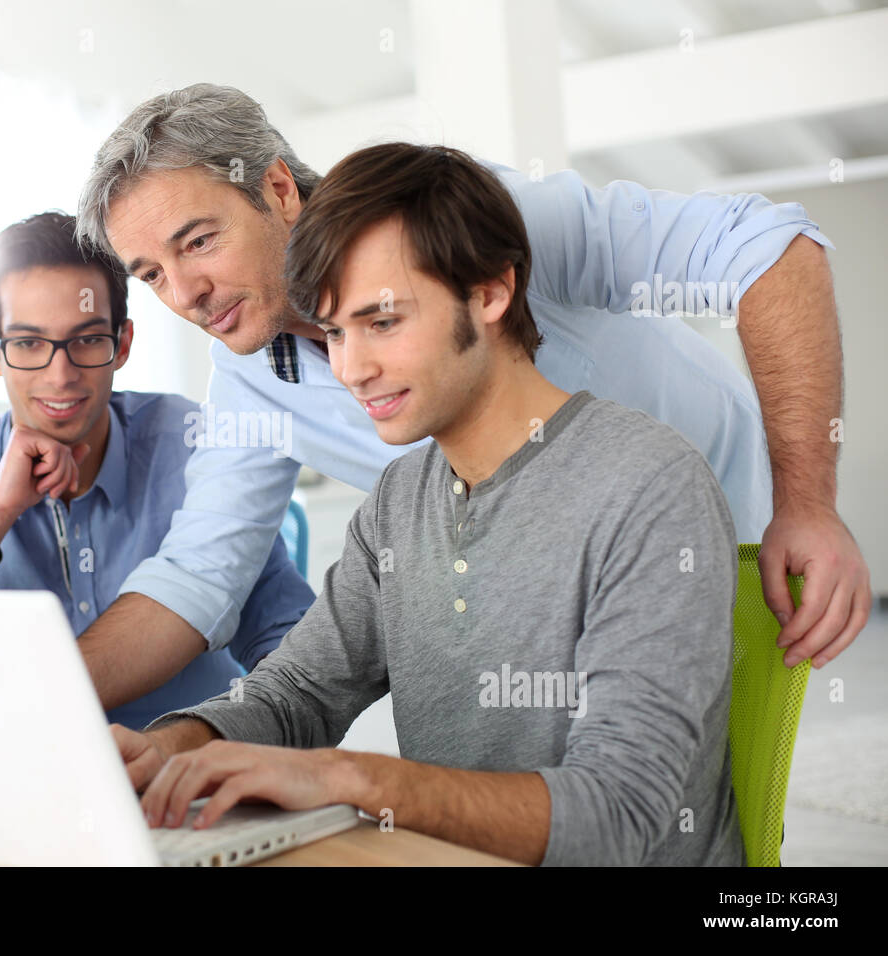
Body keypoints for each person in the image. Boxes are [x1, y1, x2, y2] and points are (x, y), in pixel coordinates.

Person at [69, 84, 870, 714]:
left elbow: (770, 250)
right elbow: (198, 574)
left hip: (719, 523)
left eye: (197, 242)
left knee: (693, 808)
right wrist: (44, 704)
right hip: (541, 582)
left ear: (277, 189)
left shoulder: (481, 221)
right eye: (150, 276)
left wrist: (808, 503)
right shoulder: (248, 376)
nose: (186, 294)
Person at [112, 142, 744, 867]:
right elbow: (295, 694)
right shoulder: (400, 500)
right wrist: (163, 751)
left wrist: (350, 779)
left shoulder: (649, 485)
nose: (351, 368)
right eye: (337, 330)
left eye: (382, 322)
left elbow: (619, 816)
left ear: (489, 292)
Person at [0, 212, 314, 731]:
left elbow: (283, 637)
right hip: (13, 769)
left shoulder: (192, 443)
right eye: (29, 344)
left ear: (122, 344)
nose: (60, 377)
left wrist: (255, 747)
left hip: (189, 769)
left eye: (86, 340)